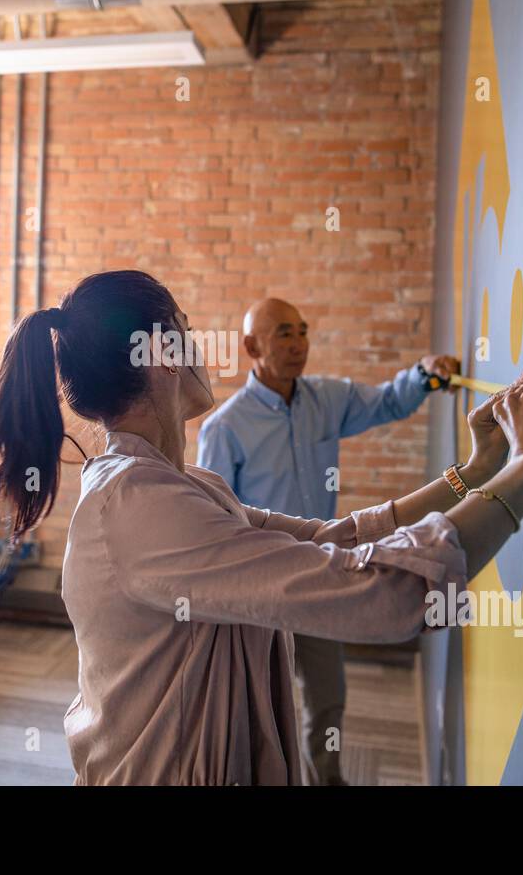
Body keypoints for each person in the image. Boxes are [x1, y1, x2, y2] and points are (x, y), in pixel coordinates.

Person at [0, 269, 523, 785]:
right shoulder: (139, 504)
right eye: (186, 329)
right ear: (159, 352)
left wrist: (477, 471)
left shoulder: (190, 485)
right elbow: (392, 593)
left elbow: (333, 537)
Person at [197, 297, 460, 785]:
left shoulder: (327, 399)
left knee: (328, 695)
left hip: (321, 574)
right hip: (257, 589)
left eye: (303, 331)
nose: (299, 344)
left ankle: (329, 778)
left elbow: (387, 401)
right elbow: (215, 524)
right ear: (252, 346)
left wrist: (424, 374)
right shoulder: (225, 428)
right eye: (284, 334)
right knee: (256, 707)